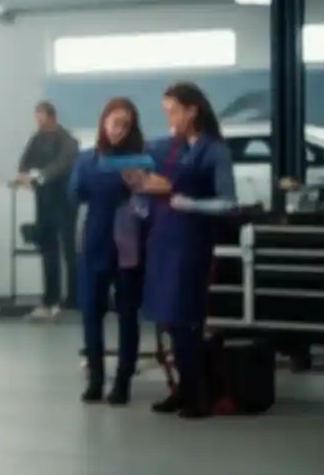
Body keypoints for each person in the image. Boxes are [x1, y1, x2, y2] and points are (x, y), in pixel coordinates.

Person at [124, 81, 235, 419]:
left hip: (191, 242)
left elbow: (228, 203)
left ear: (192, 110)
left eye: (173, 111)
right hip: (162, 239)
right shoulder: (168, 148)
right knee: (168, 319)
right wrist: (140, 190)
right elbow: (135, 169)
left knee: (188, 319)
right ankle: (181, 388)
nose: (169, 118)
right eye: (166, 111)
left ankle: (199, 395)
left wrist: (192, 204)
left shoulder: (215, 151)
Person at [69, 97, 146, 405]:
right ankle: (96, 378)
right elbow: (74, 193)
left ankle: (123, 380)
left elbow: (146, 200)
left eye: (126, 125)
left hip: (127, 242)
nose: (119, 129)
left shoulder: (139, 161)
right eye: (115, 122)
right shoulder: (87, 159)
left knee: (128, 312)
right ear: (103, 122)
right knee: (91, 311)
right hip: (96, 239)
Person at [16, 100, 80, 319]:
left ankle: (74, 299)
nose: (40, 124)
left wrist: (38, 176)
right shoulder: (37, 138)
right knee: (48, 249)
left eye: (42, 119)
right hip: (44, 201)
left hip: (65, 202)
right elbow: (24, 162)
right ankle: (50, 297)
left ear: (52, 117)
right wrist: (23, 175)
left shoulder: (68, 141)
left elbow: (61, 165)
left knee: (68, 251)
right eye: (37, 120)